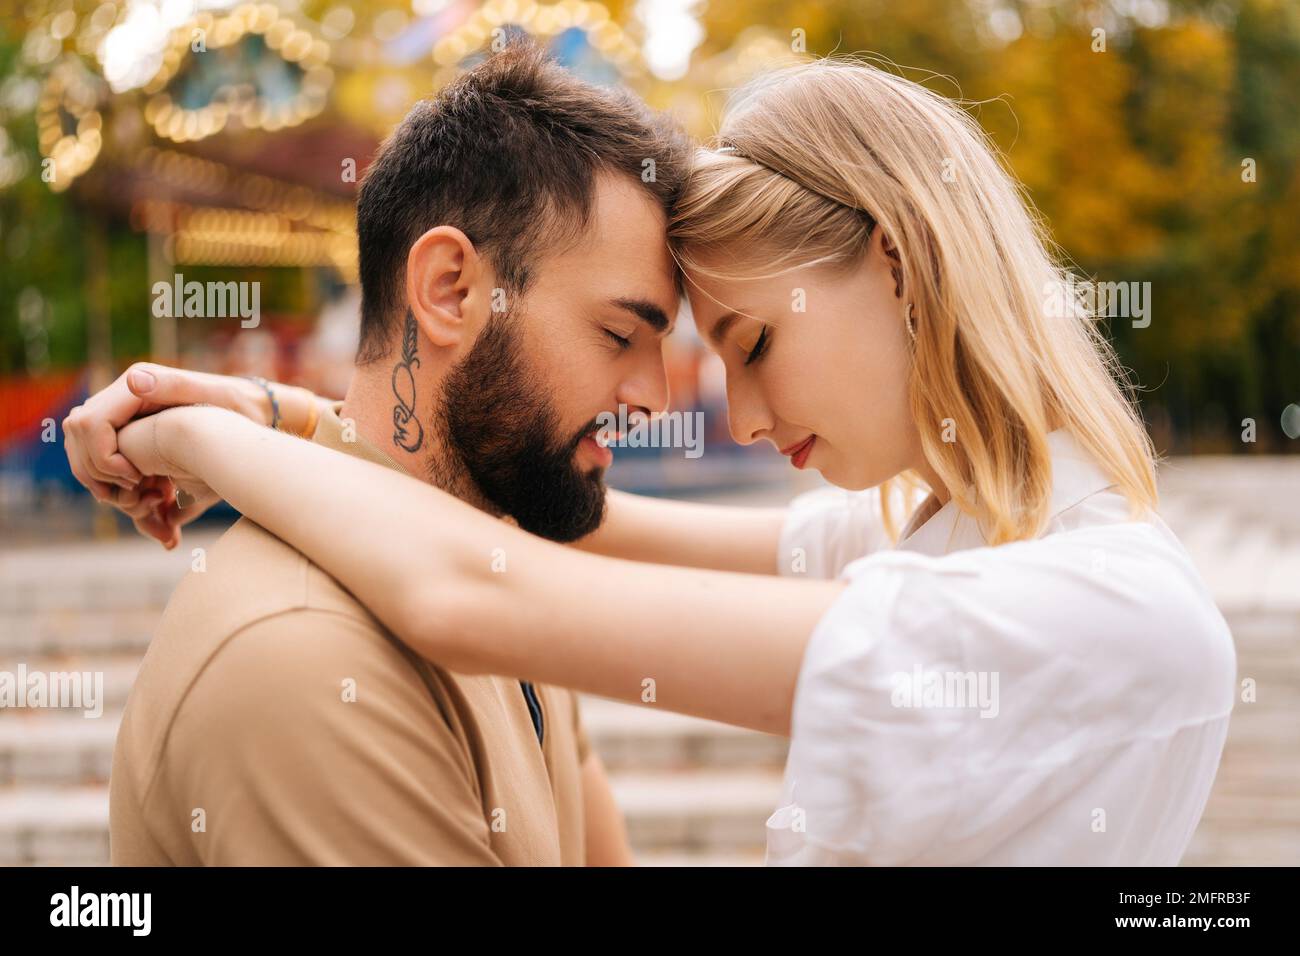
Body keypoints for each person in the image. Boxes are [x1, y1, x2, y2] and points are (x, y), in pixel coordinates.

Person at [68, 54, 1235, 866]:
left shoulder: (1098, 608)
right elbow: (574, 525)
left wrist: (194, 434)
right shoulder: (948, 531)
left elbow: (468, 587)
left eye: (756, 343)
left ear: (899, 263)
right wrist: (281, 412)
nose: (726, 411)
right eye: (631, 335)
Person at [68, 42, 693, 865]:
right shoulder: (304, 661)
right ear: (449, 290)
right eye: (618, 333)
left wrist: (261, 418)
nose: (658, 397)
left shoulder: (498, 553)